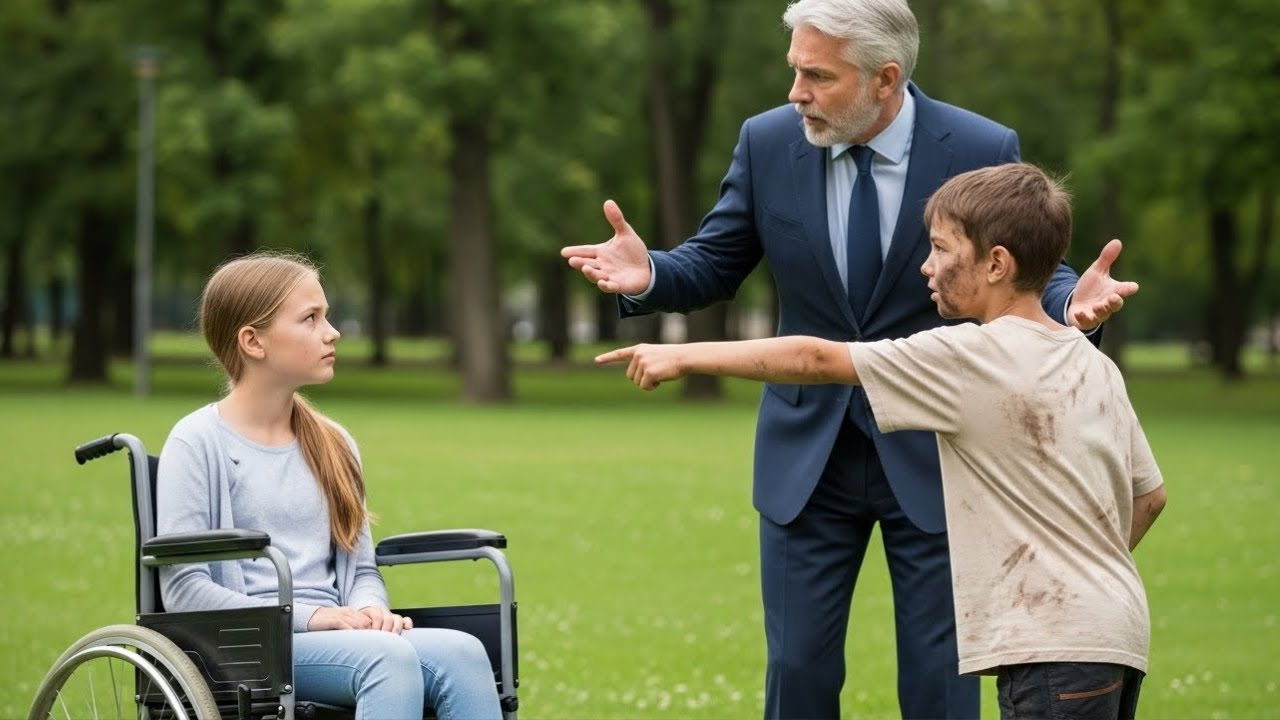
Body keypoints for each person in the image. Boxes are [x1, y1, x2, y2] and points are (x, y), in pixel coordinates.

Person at [561, 1, 1139, 716]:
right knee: (797, 672)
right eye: (795, 70)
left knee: (940, 681)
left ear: (884, 78)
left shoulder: (981, 145)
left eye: (817, 76)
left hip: (939, 458)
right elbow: (714, 262)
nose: (795, 92)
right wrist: (649, 272)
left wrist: (1068, 303)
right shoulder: (767, 141)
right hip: (807, 457)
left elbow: (1021, 261)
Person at [598, 162, 1167, 720]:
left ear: (996, 263)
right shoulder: (1095, 364)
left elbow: (817, 357)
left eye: (942, 249)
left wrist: (679, 354)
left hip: (1051, 644)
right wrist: (1080, 576)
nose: (926, 266)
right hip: (1115, 629)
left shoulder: (970, 354)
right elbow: (1150, 498)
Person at [156, 252, 503, 720]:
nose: (332, 331)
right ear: (253, 341)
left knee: (463, 652)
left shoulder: (334, 443)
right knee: (389, 660)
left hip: (343, 635)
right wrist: (314, 618)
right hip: (253, 647)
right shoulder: (196, 443)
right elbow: (184, 589)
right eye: (310, 318)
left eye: (327, 315)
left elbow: (361, 570)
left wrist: (370, 612)